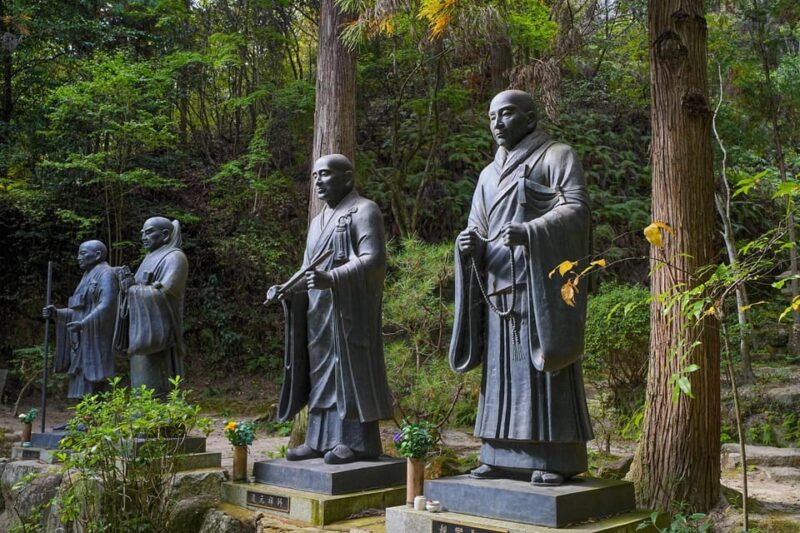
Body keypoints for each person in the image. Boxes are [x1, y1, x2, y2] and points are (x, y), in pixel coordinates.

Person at [450, 90, 594, 486]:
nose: (497, 123)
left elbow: (576, 209)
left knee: (541, 367)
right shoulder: (487, 174)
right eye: (492, 116)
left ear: (530, 118)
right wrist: (470, 245)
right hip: (498, 284)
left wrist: (531, 232)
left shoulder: (556, 155)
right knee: (498, 375)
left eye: (507, 114)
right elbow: (477, 225)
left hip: (537, 286)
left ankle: (554, 458)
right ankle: (496, 453)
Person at [266, 154, 393, 465]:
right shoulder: (317, 222)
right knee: (321, 375)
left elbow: (373, 259)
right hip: (318, 313)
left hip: (349, 310)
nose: (318, 181)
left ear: (348, 178)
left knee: (347, 374)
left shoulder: (364, 210)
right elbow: (307, 269)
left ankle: (358, 443)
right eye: (314, 176)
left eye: (325, 174)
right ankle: (319, 439)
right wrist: (286, 289)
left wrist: (332, 278)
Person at [115, 217, 188, 395]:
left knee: (157, 388)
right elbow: (138, 290)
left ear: (164, 235)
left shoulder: (175, 257)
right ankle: (143, 416)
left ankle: (161, 417)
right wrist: (127, 288)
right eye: (142, 233)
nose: (143, 237)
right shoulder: (149, 257)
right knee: (141, 387)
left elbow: (166, 292)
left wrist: (133, 289)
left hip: (160, 336)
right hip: (139, 331)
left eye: (148, 232)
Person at [42, 240, 118, 398]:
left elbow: (108, 305)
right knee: (80, 381)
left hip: (95, 338)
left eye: (83, 253)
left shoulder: (106, 274)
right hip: (81, 338)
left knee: (94, 383)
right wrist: (57, 313)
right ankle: (82, 417)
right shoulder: (86, 276)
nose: (78, 257)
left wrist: (83, 324)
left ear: (97, 255)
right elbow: (79, 310)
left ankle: (94, 418)